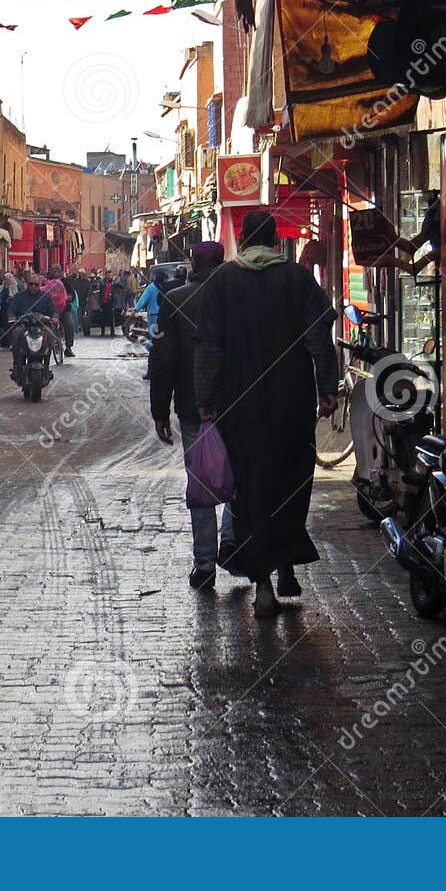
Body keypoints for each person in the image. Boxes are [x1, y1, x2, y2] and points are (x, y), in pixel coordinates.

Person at [193, 211, 337, 617]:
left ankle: (264, 587)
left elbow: (209, 347)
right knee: (290, 481)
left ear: (241, 238)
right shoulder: (297, 279)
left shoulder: (222, 282)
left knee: (251, 489)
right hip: (292, 400)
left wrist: (204, 397)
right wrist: (327, 387)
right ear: (275, 240)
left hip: (238, 404)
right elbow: (318, 339)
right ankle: (285, 562)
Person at [149, 242, 226, 588]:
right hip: (236, 402)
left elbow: (163, 360)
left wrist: (159, 410)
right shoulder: (236, 298)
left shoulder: (174, 300)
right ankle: (236, 544)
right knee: (241, 474)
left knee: (201, 482)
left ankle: (206, 562)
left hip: (193, 407)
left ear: (193, 263)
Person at [5, 272, 58, 374]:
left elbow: (53, 310)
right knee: (16, 332)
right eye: (31, 284)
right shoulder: (19, 296)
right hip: (25, 325)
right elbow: (12, 309)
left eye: (36, 284)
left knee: (50, 334)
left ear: (40, 285)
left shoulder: (46, 297)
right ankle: (17, 364)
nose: (33, 287)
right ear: (27, 284)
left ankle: (46, 364)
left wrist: (55, 317)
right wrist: (12, 317)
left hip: (42, 325)